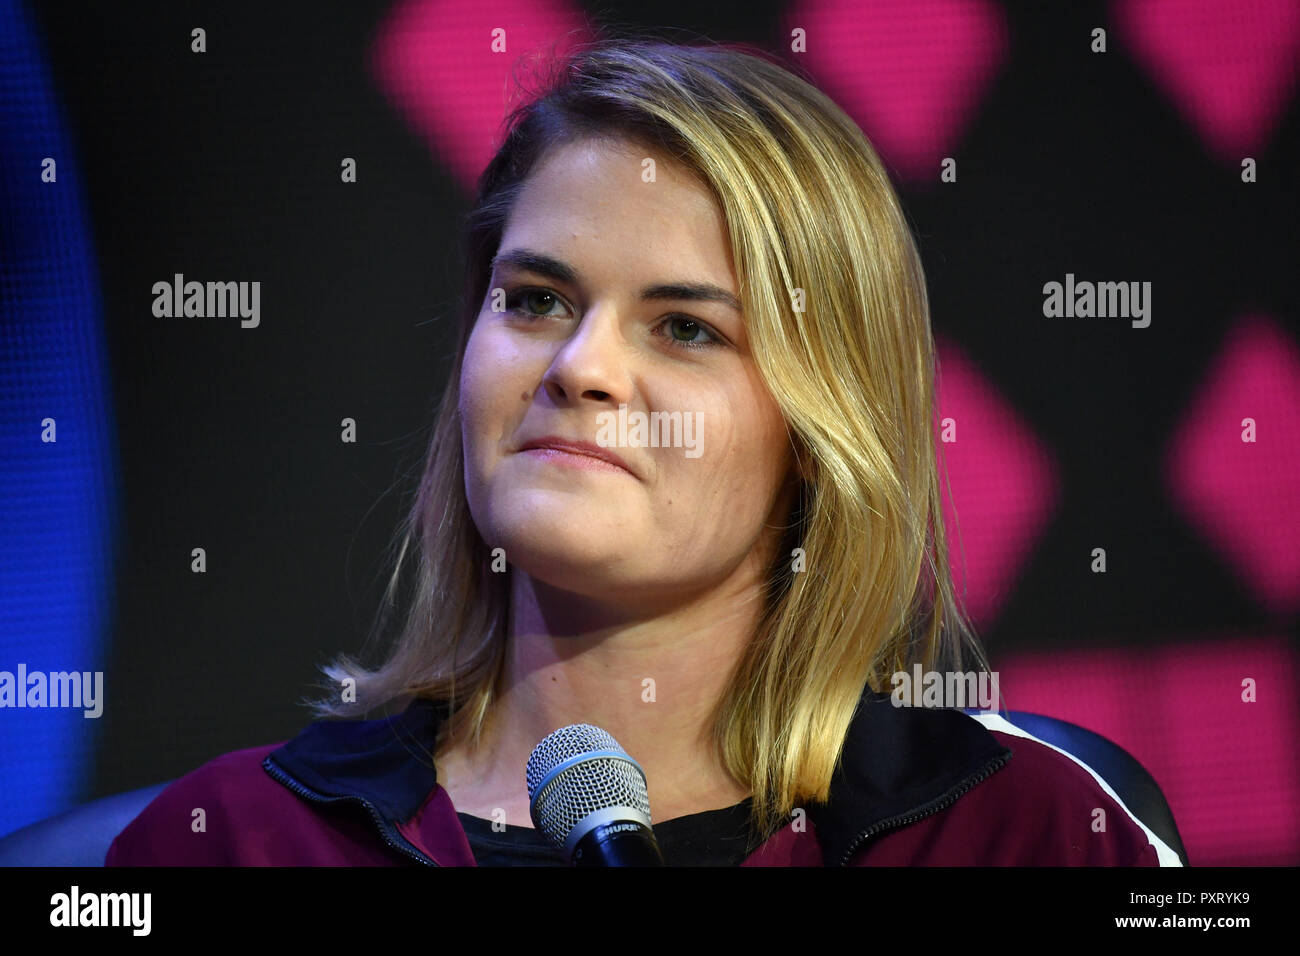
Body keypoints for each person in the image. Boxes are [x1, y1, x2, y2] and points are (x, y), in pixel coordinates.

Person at [106, 35, 1176, 866]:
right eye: (535, 300)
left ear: (817, 429)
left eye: (686, 327)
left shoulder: (1021, 833)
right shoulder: (228, 838)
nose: (580, 366)